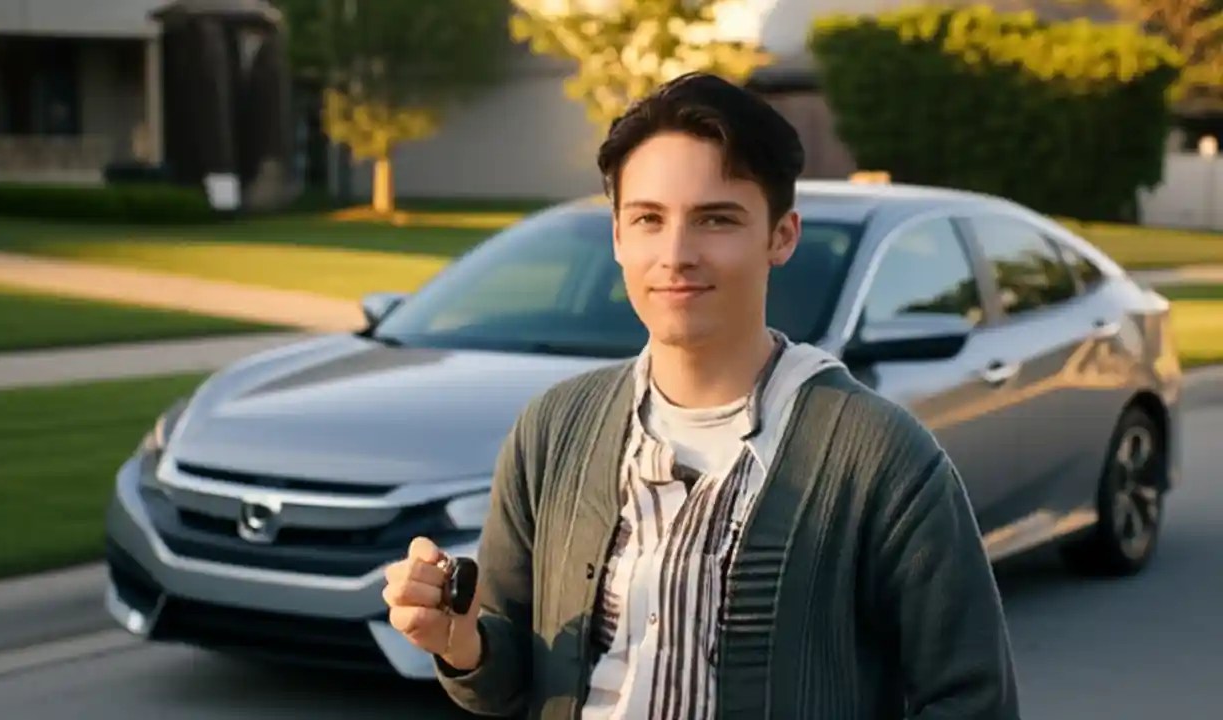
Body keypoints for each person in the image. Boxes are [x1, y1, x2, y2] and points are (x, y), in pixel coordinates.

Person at [381, 71, 1020, 719]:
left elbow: (971, 700)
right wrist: (459, 642)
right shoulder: (554, 429)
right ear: (619, 237)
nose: (677, 253)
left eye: (716, 219)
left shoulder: (879, 456)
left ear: (781, 235)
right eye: (649, 220)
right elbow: (508, 676)